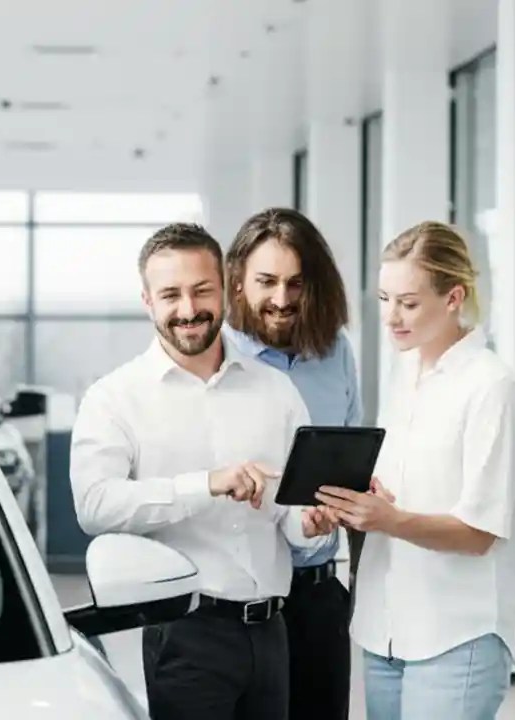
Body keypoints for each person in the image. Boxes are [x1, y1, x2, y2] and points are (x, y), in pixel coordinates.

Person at [70, 222, 340, 720]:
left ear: (225, 289)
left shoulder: (275, 391)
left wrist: (310, 523)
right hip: (187, 635)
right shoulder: (114, 398)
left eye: (201, 291)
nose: (189, 309)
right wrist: (206, 484)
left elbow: (290, 513)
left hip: (272, 633)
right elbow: (95, 505)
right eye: (171, 294)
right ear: (147, 300)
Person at [316, 221, 515, 720]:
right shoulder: (406, 373)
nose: (392, 317)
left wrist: (388, 520)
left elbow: (480, 531)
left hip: (456, 634)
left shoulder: (492, 389)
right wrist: (362, 504)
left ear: (454, 297)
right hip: (386, 629)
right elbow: (410, 496)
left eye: (408, 303)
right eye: (384, 299)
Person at [222, 207, 360, 720]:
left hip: (318, 593)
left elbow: (351, 460)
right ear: (237, 281)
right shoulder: (214, 357)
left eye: (296, 283)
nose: (281, 300)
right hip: (242, 606)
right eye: (266, 282)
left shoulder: (337, 353)